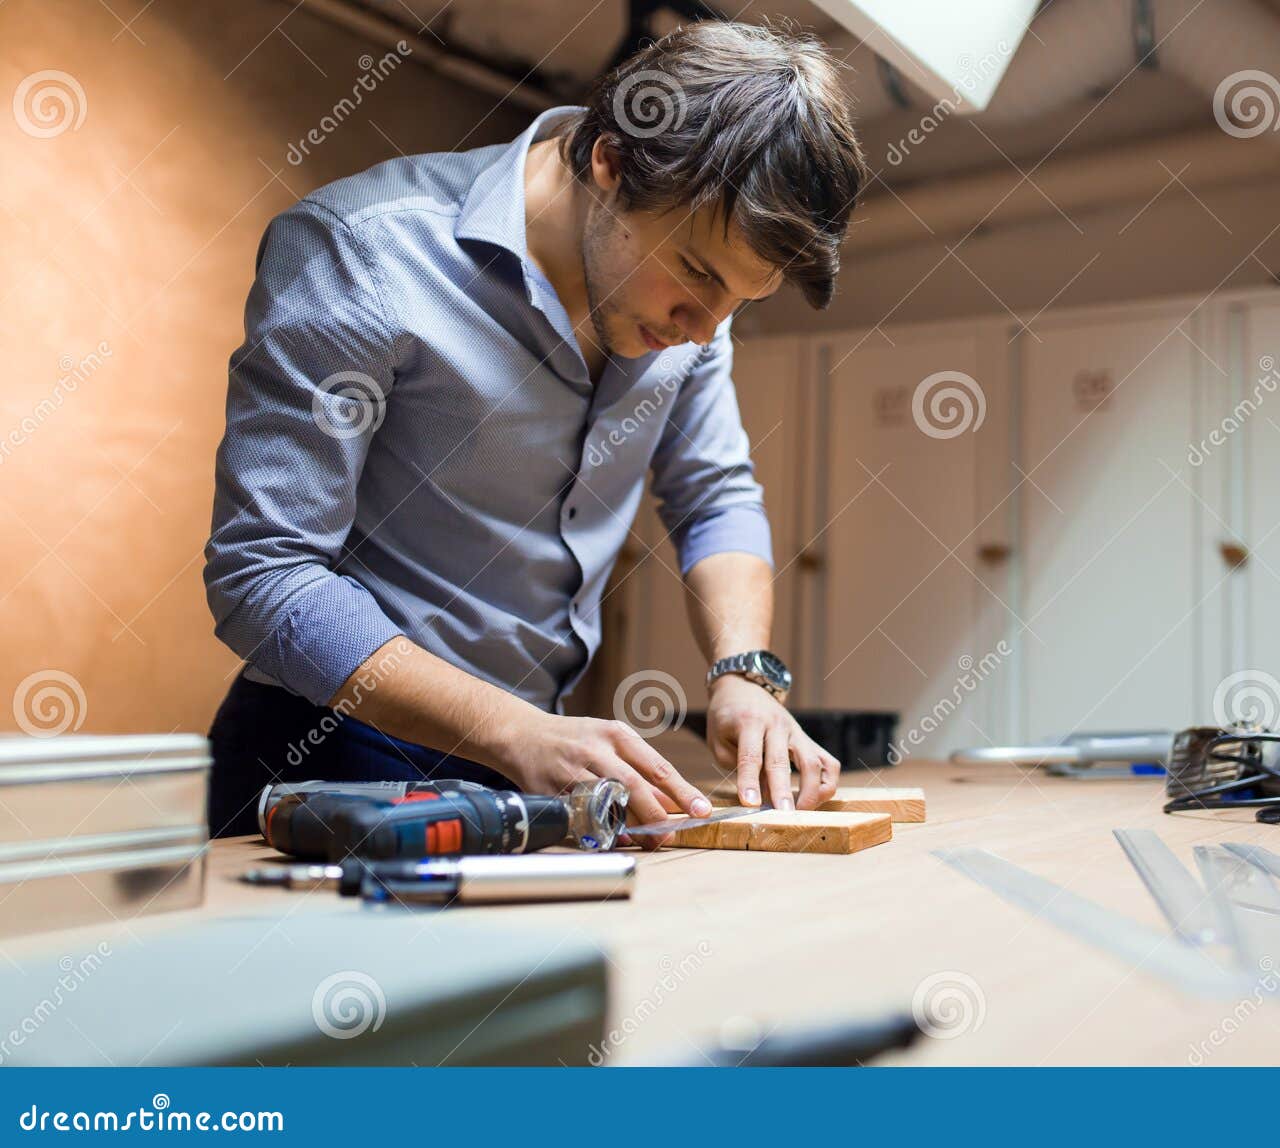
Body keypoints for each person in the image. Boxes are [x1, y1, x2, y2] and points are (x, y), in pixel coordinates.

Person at [202, 21, 865, 840]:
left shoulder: (690, 320)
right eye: (695, 274)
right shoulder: (364, 254)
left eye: (738, 302)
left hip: (532, 759)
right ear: (611, 163)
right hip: (324, 754)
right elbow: (263, 575)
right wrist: (513, 730)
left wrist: (744, 675)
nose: (704, 330)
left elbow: (714, 498)